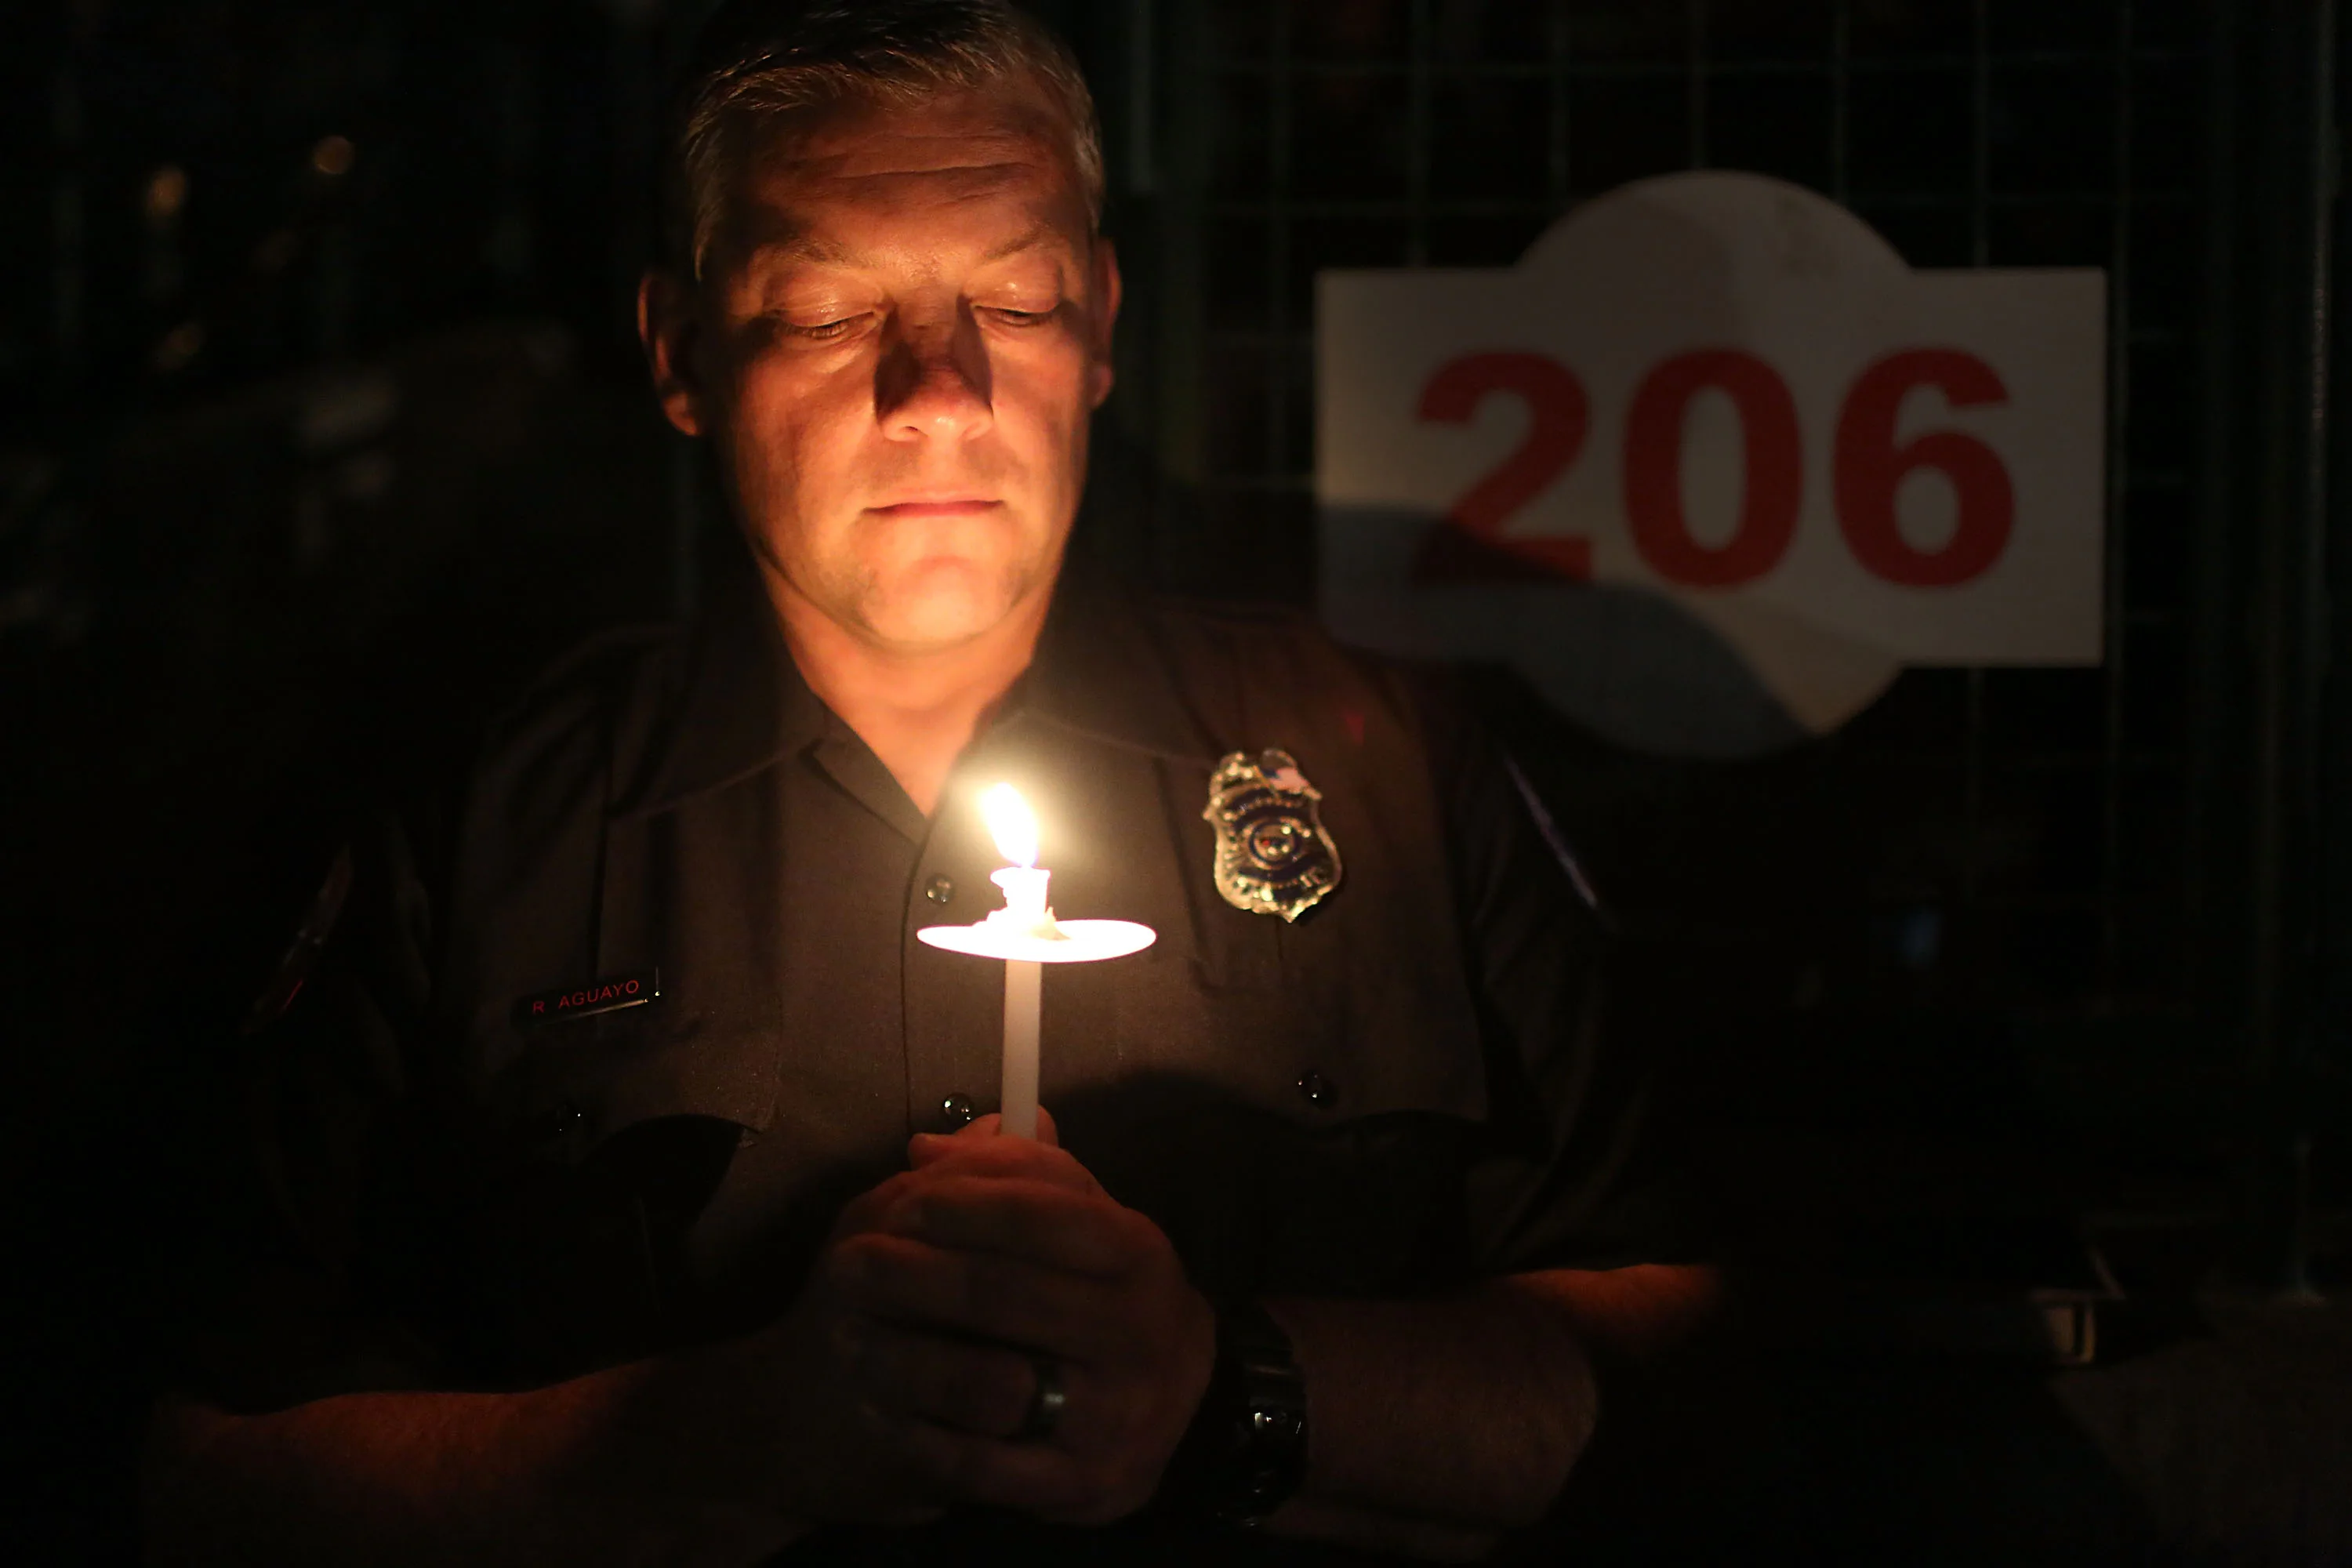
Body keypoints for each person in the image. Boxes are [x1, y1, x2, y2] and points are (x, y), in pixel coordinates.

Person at [143, 2, 1719, 1562]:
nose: (940, 391)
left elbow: (1676, 1341)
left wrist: (1219, 1389)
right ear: (682, 355)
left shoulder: (1384, 766)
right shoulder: (477, 824)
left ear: (1102, 324)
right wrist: (713, 1435)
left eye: (1016, 300)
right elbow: (196, 1460)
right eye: (829, 312)